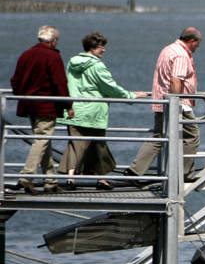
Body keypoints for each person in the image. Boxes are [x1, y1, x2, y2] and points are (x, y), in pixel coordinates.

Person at [57, 32, 147, 189]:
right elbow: (110, 87)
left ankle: (71, 179)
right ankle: (101, 179)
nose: (104, 50)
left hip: (73, 109)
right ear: (92, 48)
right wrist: (131, 96)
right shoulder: (97, 66)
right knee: (99, 145)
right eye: (101, 47)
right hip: (93, 111)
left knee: (75, 144)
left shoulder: (72, 63)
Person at [127, 27, 205, 183]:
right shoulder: (181, 55)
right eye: (197, 44)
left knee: (159, 136)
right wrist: (177, 103)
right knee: (192, 137)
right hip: (177, 104)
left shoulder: (168, 49)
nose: (197, 48)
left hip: (161, 102)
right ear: (192, 41)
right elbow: (176, 80)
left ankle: (135, 170)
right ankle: (184, 174)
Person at [9, 25, 73, 194]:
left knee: (43, 141)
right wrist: (68, 105)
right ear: (53, 41)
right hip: (46, 105)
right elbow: (60, 83)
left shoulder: (26, 55)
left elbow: (15, 80)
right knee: (42, 140)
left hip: (29, 104)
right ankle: (26, 176)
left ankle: (50, 181)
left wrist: (22, 94)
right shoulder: (52, 56)